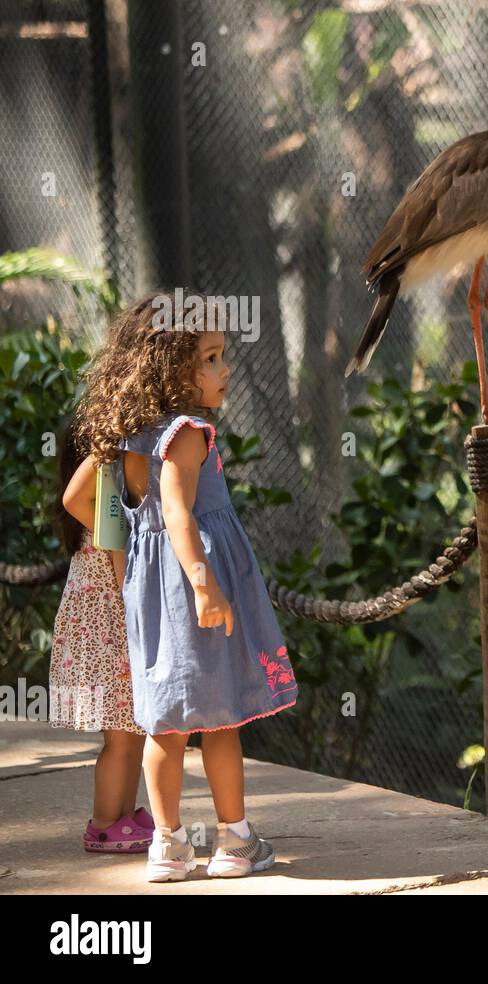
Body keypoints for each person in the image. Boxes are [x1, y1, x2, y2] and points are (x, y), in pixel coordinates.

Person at [79, 292, 298, 881]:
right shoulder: (187, 433)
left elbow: (108, 517)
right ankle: (235, 842)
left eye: (222, 355)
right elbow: (177, 513)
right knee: (220, 721)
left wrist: (136, 583)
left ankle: (169, 847)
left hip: (152, 599)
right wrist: (203, 585)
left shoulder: (130, 439)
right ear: (172, 368)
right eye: (209, 358)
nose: (224, 370)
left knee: (165, 724)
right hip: (195, 593)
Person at [54, 407, 154, 853]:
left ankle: (125, 817)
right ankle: (102, 823)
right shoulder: (100, 505)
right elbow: (72, 498)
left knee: (130, 729)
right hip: (107, 632)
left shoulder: (111, 499)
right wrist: (106, 444)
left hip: (111, 630)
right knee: (119, 736)